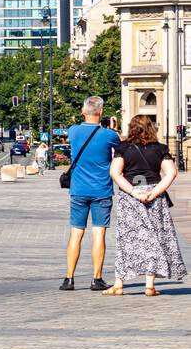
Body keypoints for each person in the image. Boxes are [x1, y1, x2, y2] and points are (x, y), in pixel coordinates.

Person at [104, 115, 186, 295]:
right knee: (154, 238)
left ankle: (119, 284)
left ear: (131, 128)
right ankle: (149, 285)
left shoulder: (123, 148)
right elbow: (171, 173)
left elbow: (115, 173)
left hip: (130, 197)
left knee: (126, 239)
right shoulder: (160, 148)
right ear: (151, 127)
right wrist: (154, 192)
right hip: (154, 196)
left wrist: (133, 192)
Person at [61, 96, 122, 291]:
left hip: (78, 190)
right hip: (101, 190)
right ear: (101, 112)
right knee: (99, 234)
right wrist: (114, 129)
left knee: (76, 233)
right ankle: (96, 278)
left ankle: (69, 278)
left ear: (82, 111)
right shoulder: (108, 135)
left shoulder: (73, 131)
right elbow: (121, 146)